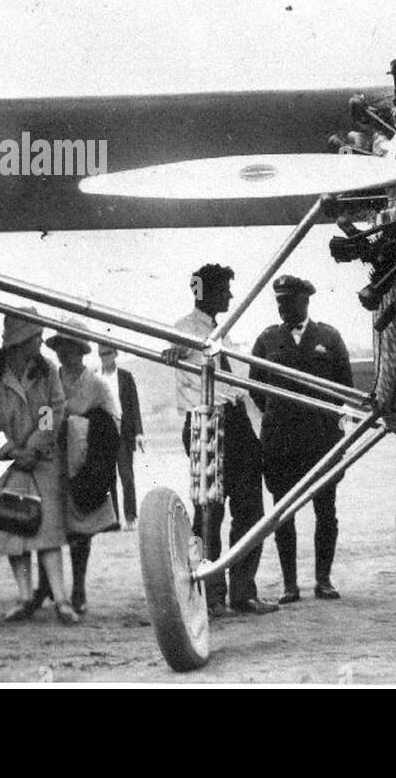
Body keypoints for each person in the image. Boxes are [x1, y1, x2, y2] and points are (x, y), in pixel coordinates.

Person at [165, 264, 277, 617]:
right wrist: (174, 350)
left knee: (251, 511)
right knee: (207, 514)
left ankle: (243, 592)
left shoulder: (224, 332)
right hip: (205, 423)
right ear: (206, 292)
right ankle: (210, 595)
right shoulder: (185, 329)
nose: (230, 296)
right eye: (224, 290)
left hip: (237, 421)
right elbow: (173, 348)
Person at [0, 309, 79, 625]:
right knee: (12, 530)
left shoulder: (47, 370)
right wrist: (13, 451)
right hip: (6, 463)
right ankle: (25, 597)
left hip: (41, 462)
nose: (40, 342)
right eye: (35, 337)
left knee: (48, 532)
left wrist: (32, 447)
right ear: (19, 341)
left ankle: (62, 600)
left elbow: (53, 410)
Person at [250, 275, 354, 602]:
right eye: (279, 302)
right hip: (281, 444)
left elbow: (344, 388)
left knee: (326, 511)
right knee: (283, 514)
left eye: (288, 301)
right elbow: (256, 389)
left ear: (305, 301)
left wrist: (326, 424)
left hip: (321, 442)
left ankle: (323, 580)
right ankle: (290, 585)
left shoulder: (329, 337)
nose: (282, 308)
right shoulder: (267, 340)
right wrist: (281, 414)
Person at [30, 326, 120, 616]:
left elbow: (112, 424)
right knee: (47, 523)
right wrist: (44, 438)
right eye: (61, 348)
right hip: (52, 460)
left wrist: (85, 431)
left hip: (82, 464)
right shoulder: (50, 381)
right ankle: (45, 586)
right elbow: (44, 417)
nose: (65, 353)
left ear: (81, 351)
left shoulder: (96, 385)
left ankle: (78, 588)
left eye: (71, 348)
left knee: (81, 527)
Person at [97, 344, 144, 529]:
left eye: (108, 353)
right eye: (101, 354)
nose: (104, 358)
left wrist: (139, 432)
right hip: (103, 433)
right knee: (108, 479)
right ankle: (113, 519)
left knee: (127, 477)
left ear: (115, 354)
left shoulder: (125, 376)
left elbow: (134, 406)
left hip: (123, 433)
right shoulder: (95, 377)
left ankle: (131, 517)